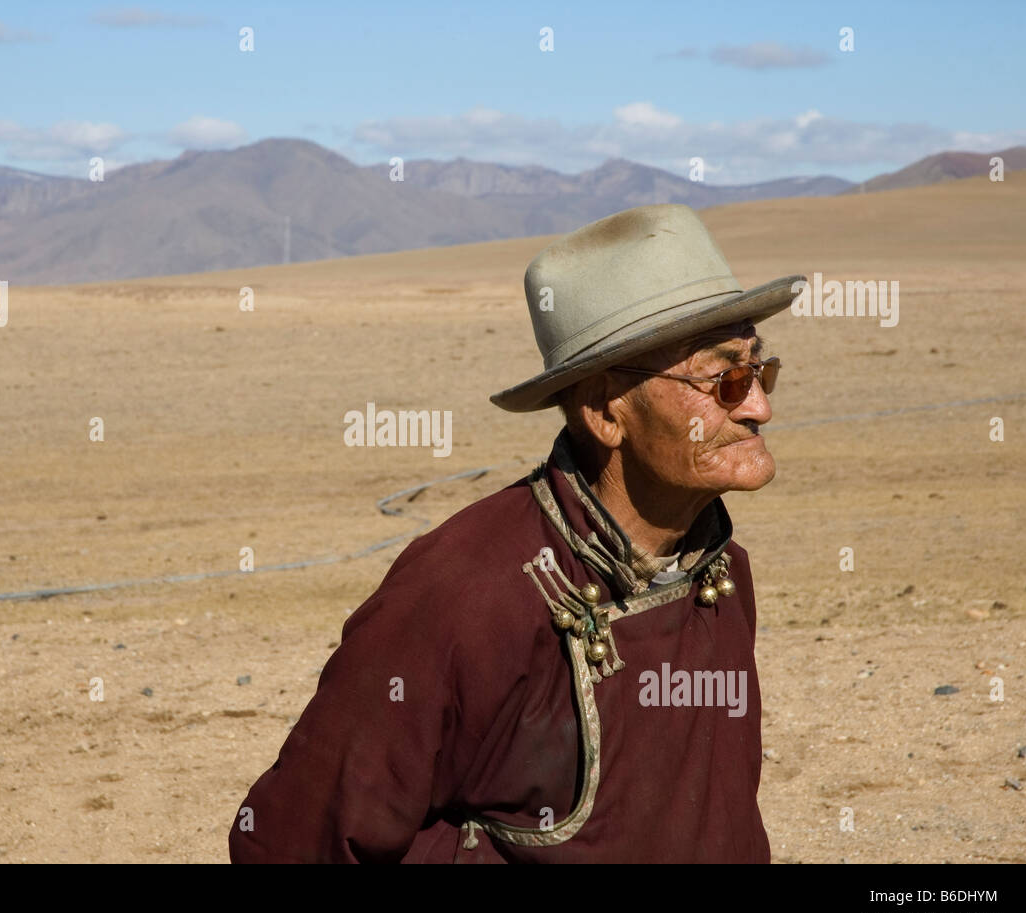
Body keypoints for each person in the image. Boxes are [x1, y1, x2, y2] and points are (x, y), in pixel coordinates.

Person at [229, 204, 805, 863]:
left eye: (759, 371)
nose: (759, 405)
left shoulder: (721, 574)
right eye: (724, 378)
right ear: (604, 413)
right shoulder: (466, 592)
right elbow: (292, 841)